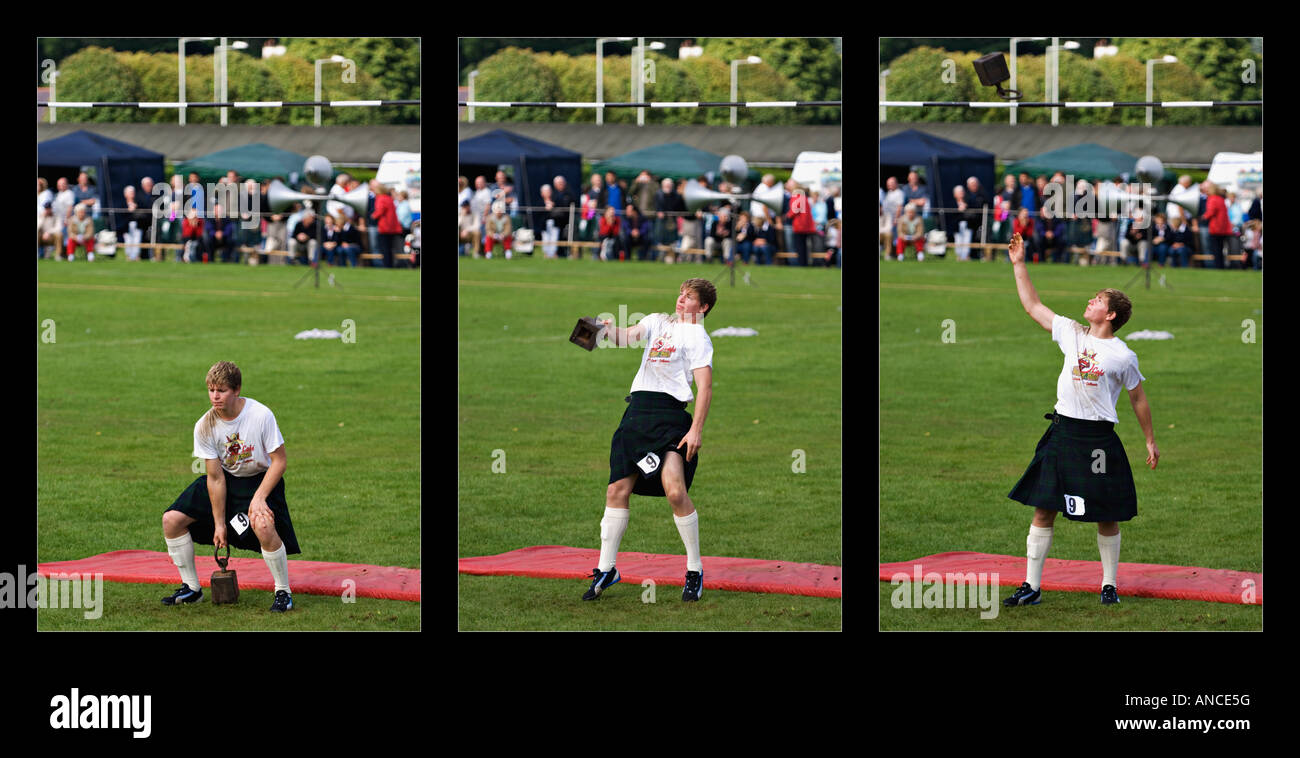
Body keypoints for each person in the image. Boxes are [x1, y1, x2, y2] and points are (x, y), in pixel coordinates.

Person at [1003, 233, 1159, 608]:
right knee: (1044, 507)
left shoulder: (1123, 356)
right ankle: (1032, 586)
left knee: (1106, 513)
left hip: (1098, 440)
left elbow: (1138, 398)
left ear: (1110, 315)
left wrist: (1150, 440)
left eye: (1098, 301)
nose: (1090, 302)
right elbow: (1033, 306)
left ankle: (1108, 585)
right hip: (1062, 430)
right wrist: (1018, 264)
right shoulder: (1071, 332)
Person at [583, 278, 716, 603]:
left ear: (703, 308)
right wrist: (604, 329)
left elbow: (705, 388)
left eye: (689, 298)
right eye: (681, 294)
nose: (681, 300)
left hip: (670, 417)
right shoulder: (657, 321)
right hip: (638, 411)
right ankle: (606, 569)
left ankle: (695, 570)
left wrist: (695, 430)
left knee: (674, 489)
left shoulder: (698, 335)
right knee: (617, 489)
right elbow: (626, 337)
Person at [161, 361, 299, 612]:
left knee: (263, 525)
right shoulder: (204, 425)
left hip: (261, 479)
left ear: (237, 390)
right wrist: (219, 524)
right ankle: (191, 588)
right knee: (171, 520)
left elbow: (280, 461)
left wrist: (259, 499)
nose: (215, 396)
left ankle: (283, 593)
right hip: (225, 479)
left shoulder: (260, 415)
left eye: (221, 390)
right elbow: (214, 478)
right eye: (211, 390)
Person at [1201, 181, 1232, 269]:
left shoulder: (1212, 198)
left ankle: (1217, 266)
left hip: (1216, 227)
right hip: (1223, 227)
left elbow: (1210, 212)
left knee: (1216, 249)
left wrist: (1203, 217)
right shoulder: (1221, 198)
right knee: (1221, 248)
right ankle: (1221, 265)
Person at [371, 184, 403, 267]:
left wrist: (373, 216)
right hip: (392, 227)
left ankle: (387, 265)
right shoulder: (389, 198)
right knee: (390, 248)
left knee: (384, 248)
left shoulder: (380, 198)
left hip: (384, 227)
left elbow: (380, 210)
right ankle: (391, 264)